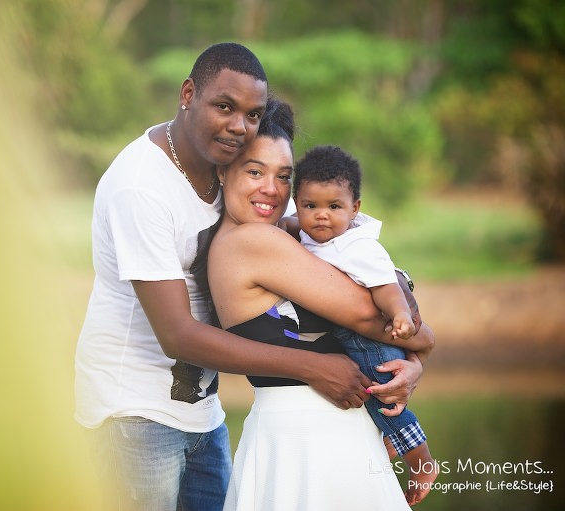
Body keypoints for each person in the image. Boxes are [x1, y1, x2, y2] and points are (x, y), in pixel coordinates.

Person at [75, 42, 424, 511]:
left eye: (253, 114)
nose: (239, 125)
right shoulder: (142, 187)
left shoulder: (229, 176)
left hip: (202, 412)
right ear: (187, 94)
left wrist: (397, 298)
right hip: (135, 411)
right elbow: (178, 335)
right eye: (224, 107)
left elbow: (326, 235)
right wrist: (315, 367)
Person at [206, 97, 435, 510]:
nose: (272, 190)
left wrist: (413, 357)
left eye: (283, 177)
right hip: (310, 437)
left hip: (319, 430)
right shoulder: (253, 240)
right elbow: (370, 313)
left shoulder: (284, 232)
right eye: (254, 171)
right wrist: (422, 348)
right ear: (223, 170)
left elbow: (365, 269)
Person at [293, 144, 438, 505]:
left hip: (370, 342)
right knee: (374, 398)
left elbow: (387, 287)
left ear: (355, 208)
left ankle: (420, 459)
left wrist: (402, 315)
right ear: (296, 204)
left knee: (384, 395)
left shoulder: (357, 246)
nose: (321, 216)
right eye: (310, 206)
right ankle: (390, 439)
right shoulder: (307, 239)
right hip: (348, 339)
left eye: (334, 207)